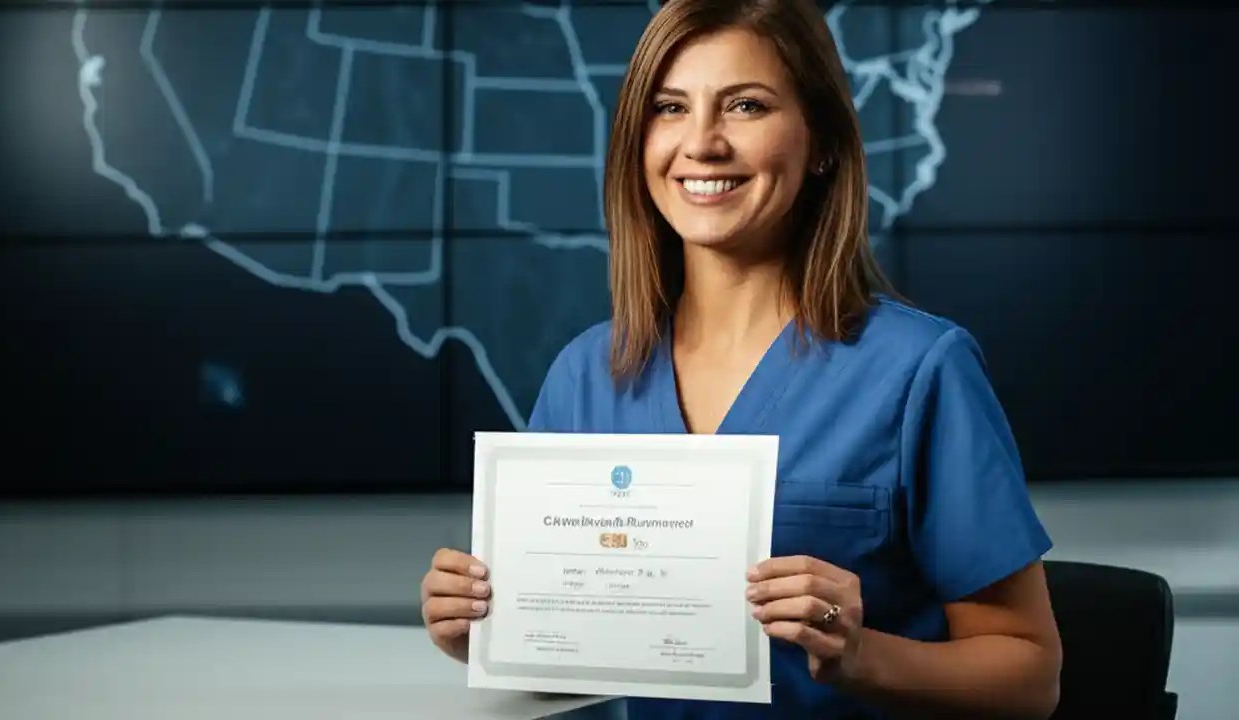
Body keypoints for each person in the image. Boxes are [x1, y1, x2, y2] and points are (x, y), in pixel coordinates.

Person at [421, 0, 1062, 717]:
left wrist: (860, 656)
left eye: (745, 106)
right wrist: (494, 633)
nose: (701, 143)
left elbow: (1030, 679)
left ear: (821, 143)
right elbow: (583, 666)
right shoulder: (584, 377)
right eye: (670, 108)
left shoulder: (921, 371)